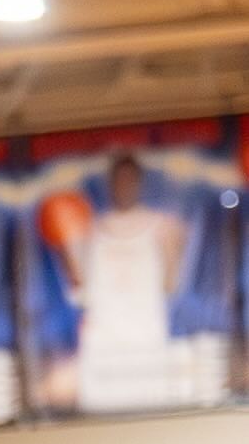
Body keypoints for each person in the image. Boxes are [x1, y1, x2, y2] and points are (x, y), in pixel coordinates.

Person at [58, 153, 189, 414]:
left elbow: (170, 286)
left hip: (146, 344)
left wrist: (174, 248)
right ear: (110, 183)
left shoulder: (163, 226)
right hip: (103, 348)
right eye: (119, 179)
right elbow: (80, 293)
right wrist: (65, 250)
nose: (124, 185)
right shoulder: (90, 229)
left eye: (130, 179)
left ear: (140, 182)